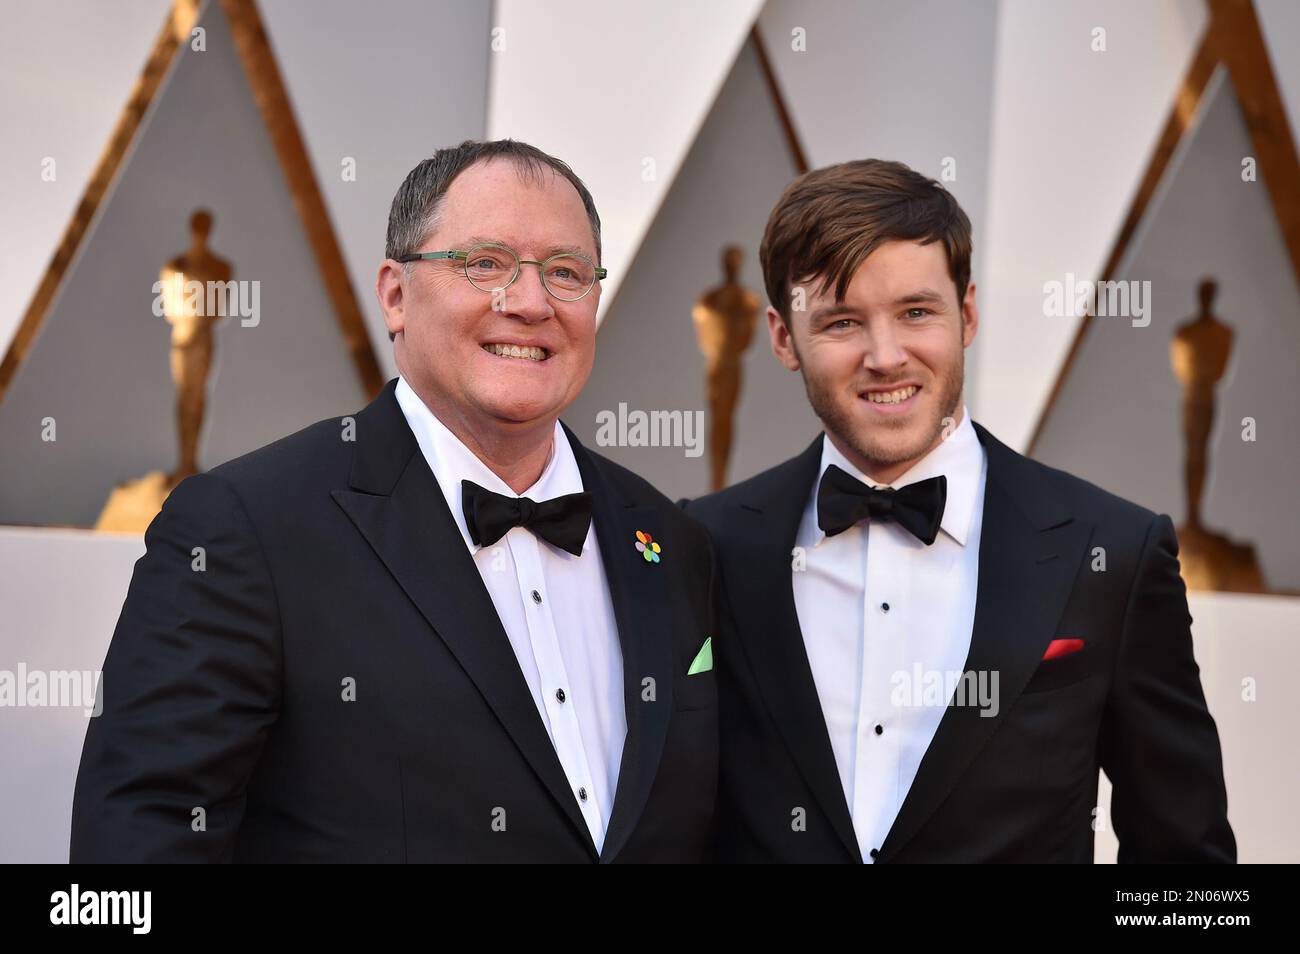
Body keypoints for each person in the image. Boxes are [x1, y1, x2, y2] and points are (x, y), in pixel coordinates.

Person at [71, 139, 718, 863]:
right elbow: (136, 851)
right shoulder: (244, 530)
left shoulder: (671, 541)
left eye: (566, 273)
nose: (532, 303)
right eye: (486, 264)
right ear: (395, 294)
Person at [685, 158, 1234, 863]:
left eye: (916, 312)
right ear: (784, 337)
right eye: (843, 321)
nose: (885, 356)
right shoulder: (704, 546)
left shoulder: (1113, 554)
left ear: (966, 313)